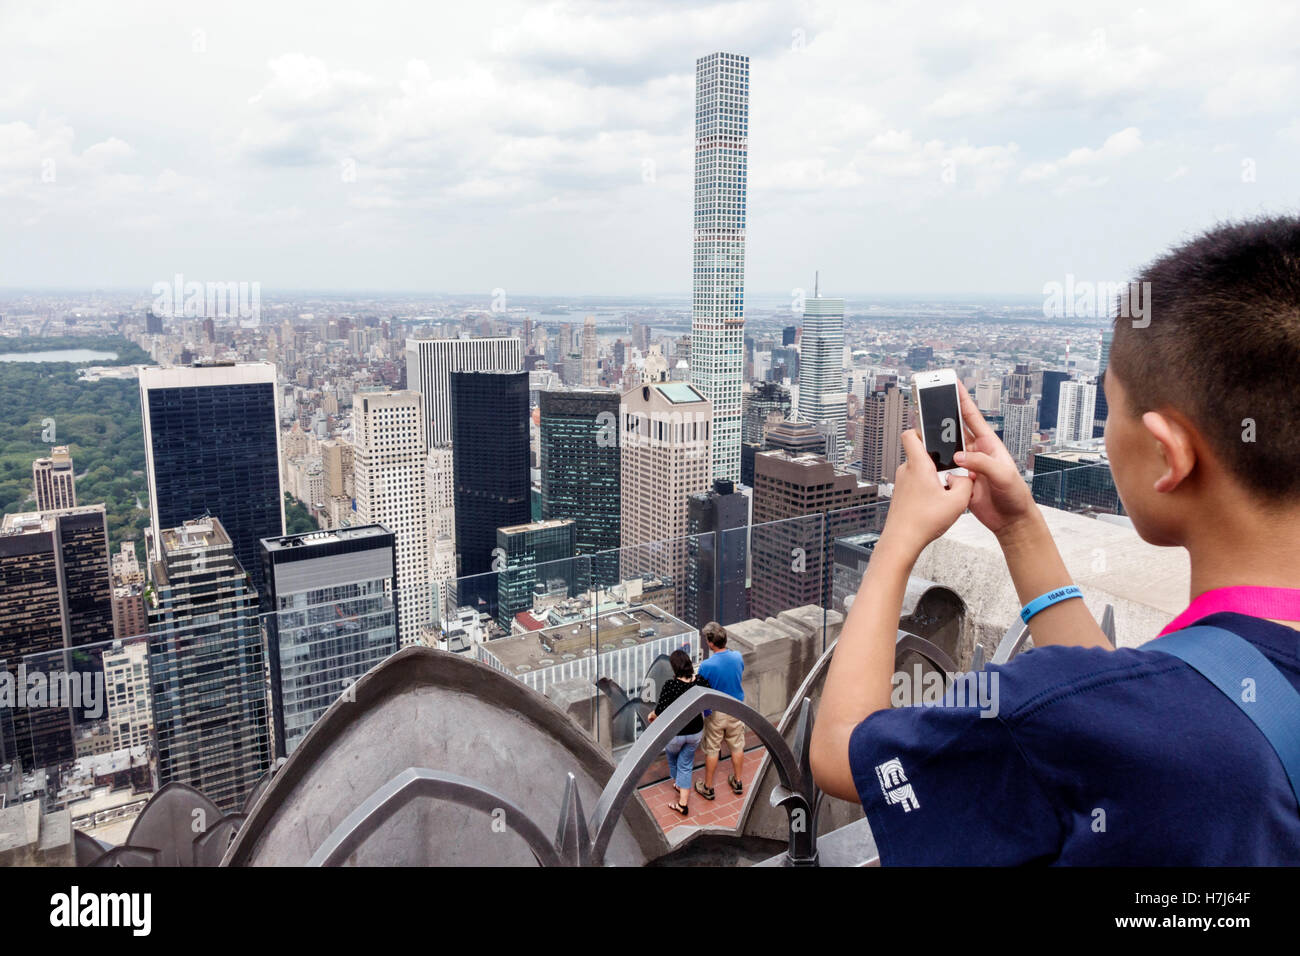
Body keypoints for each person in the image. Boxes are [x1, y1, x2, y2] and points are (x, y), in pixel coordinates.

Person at [810, 216, 1300, 864]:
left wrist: (897, 542)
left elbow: (843, 749)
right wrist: (1018, 526)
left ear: (1166, 452)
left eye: (1111, 408)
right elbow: (1137, 702)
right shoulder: (1169, 706)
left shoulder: (1053, 713)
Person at [647, 649, 709, 816]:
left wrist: (651, 716)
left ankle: (682, 801)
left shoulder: (671, 685)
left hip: (675, 733)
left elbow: (659, 711)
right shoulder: (700, 681)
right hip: (695, 731)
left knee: (674, 759)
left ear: (675, 668)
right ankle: (681, 789)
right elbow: (710, 698)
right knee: (686, 764)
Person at [694, 622, 747, 800]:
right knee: (737, 745)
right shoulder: (738, 657)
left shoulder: (706, 666)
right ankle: (738, 781)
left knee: (712, 749)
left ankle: (708, 787)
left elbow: (700, 686)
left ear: (710, 643)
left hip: (716, 712)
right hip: (736, 708)